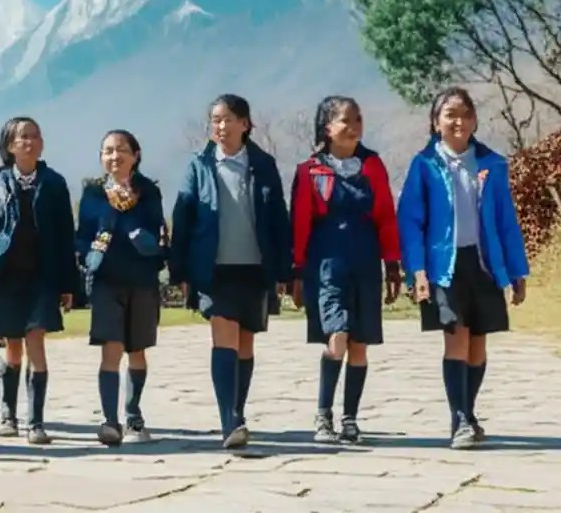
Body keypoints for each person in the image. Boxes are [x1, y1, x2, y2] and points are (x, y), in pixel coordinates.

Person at [397, 86, 529, 450]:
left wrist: (517, 272)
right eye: (449, 114)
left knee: (478, 343)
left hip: (483, 264)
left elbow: (506, 222)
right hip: (444, 265)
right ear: (435, 122)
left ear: (474, 120)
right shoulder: (424, 165)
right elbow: (410, 221)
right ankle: (458, 419)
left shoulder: (492, 164)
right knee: (456, 337)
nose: (457, 120)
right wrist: (417, 272)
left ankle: (469, 413)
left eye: (464, 113)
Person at [169, 94, 292, 449]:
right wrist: (180, 269)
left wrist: (284, 268)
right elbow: (183, 215)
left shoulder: (263, 164)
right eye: (215, 120)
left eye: (227, 119)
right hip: (214, 268)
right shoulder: (199, 165)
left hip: (254, 266)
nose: (221, 127)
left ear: (245, 123)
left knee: (245, 343)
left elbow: (278, 219)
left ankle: (237, 410)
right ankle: (229, 421)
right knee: (223, 338)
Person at [289, 96, 402, 445]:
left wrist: (392, 265)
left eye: (358, 120)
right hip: (327, 265)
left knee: (360, 344)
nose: (353, 127)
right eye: (345, 121)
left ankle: (350, 418)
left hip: (366, 262)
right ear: (328, 128)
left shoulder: (373, 166)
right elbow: (300, 223)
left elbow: (385, 215)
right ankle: (323, 415)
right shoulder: (310, 171)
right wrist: (295, 270)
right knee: (336, 337)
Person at [0, 116, 77, 445]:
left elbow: (64, 237)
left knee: (37, 345)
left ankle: (36, 421)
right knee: (13, 348)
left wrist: (68, 284)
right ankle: (8, 413)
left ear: (41, 144)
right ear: (10, 146)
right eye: (22, 137)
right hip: (6, 277)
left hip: (41, 277)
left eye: (35, 136)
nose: (29, 142)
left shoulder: (54, 183)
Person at [75, 130, 166, 446]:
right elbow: (83, 234)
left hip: (141, 279)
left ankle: (134, 415)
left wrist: (144, 240)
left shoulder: (149, 192)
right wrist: (88, 254)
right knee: (110, 349)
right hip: (105, 280)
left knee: (137, 349)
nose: (115, 156)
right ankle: (110, 421)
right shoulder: (93, 194)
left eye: (122, 150)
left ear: (136, 155)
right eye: (108, 151)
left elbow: (159, 230)